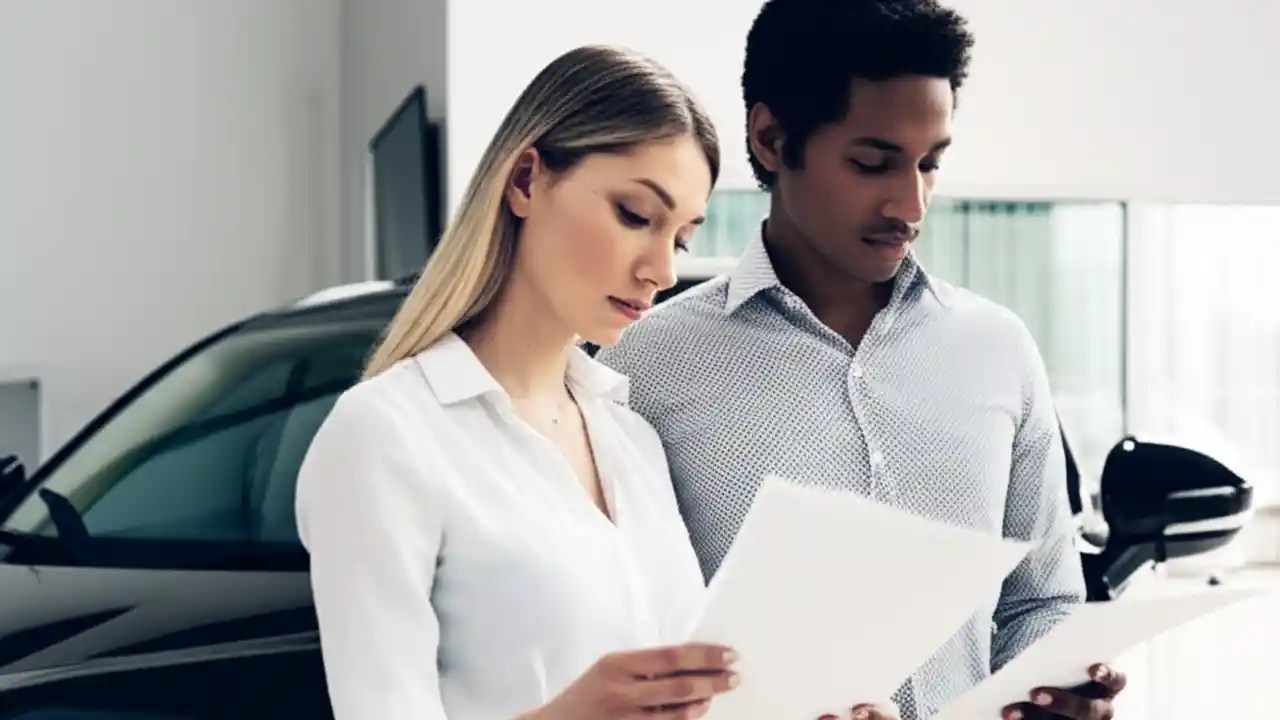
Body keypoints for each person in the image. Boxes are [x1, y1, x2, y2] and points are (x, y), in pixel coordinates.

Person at [595, 2, 1128, 720]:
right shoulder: (645, 365)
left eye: (930, 163)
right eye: (873, 163)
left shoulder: (998, 350)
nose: (911, 203)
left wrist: (1060, 690)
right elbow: (626, 634)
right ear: (773, 137)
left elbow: (1042, 599)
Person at [294, 46, 745, 720]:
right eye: (634, 215)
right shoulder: (385, 436)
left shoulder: (632, 438)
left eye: (680, 238)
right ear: (527, 180)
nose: (662, 269)